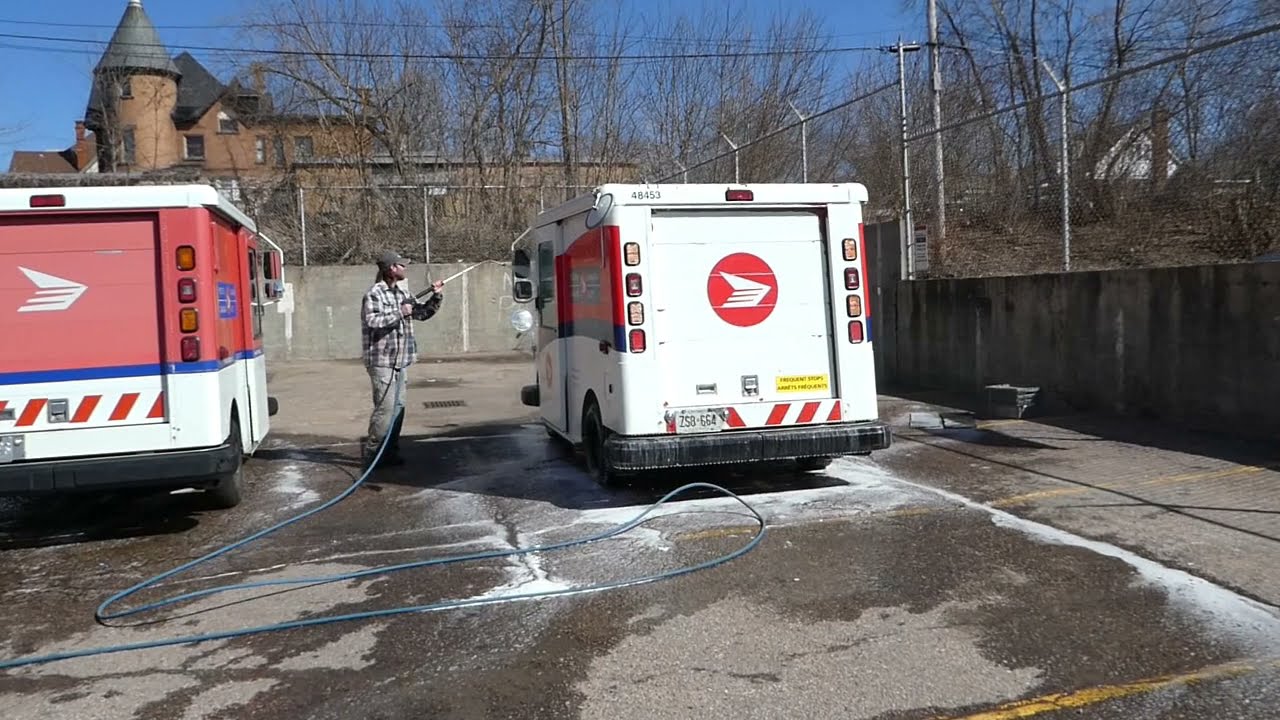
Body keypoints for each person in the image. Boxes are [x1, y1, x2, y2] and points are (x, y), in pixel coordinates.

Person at [360, 250, 444, 470]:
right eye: (402, 265)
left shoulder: (401, 293)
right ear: (391, 268)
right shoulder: (374, 293)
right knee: (385, 410)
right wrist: (400, 312)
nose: (405, 268)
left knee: (398, 408)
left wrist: (436, 296)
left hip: (401, 361)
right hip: (382, 361)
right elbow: (372, 321)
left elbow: (422, 313)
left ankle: (389, 452)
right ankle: (373, 456)